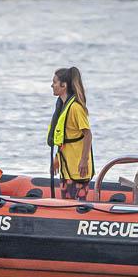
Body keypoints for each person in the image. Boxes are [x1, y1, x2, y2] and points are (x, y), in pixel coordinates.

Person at [48, 66, 94, 200]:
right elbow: (64, 136)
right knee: (65, 203)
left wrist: (84, 160)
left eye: (55, 82)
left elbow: (88, 134)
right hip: (66, 166)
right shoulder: (62, 106)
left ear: (64, 85)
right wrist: (57, 157)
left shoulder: (75, 108)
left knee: (77, 205)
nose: (52, 85)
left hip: (78, 168)